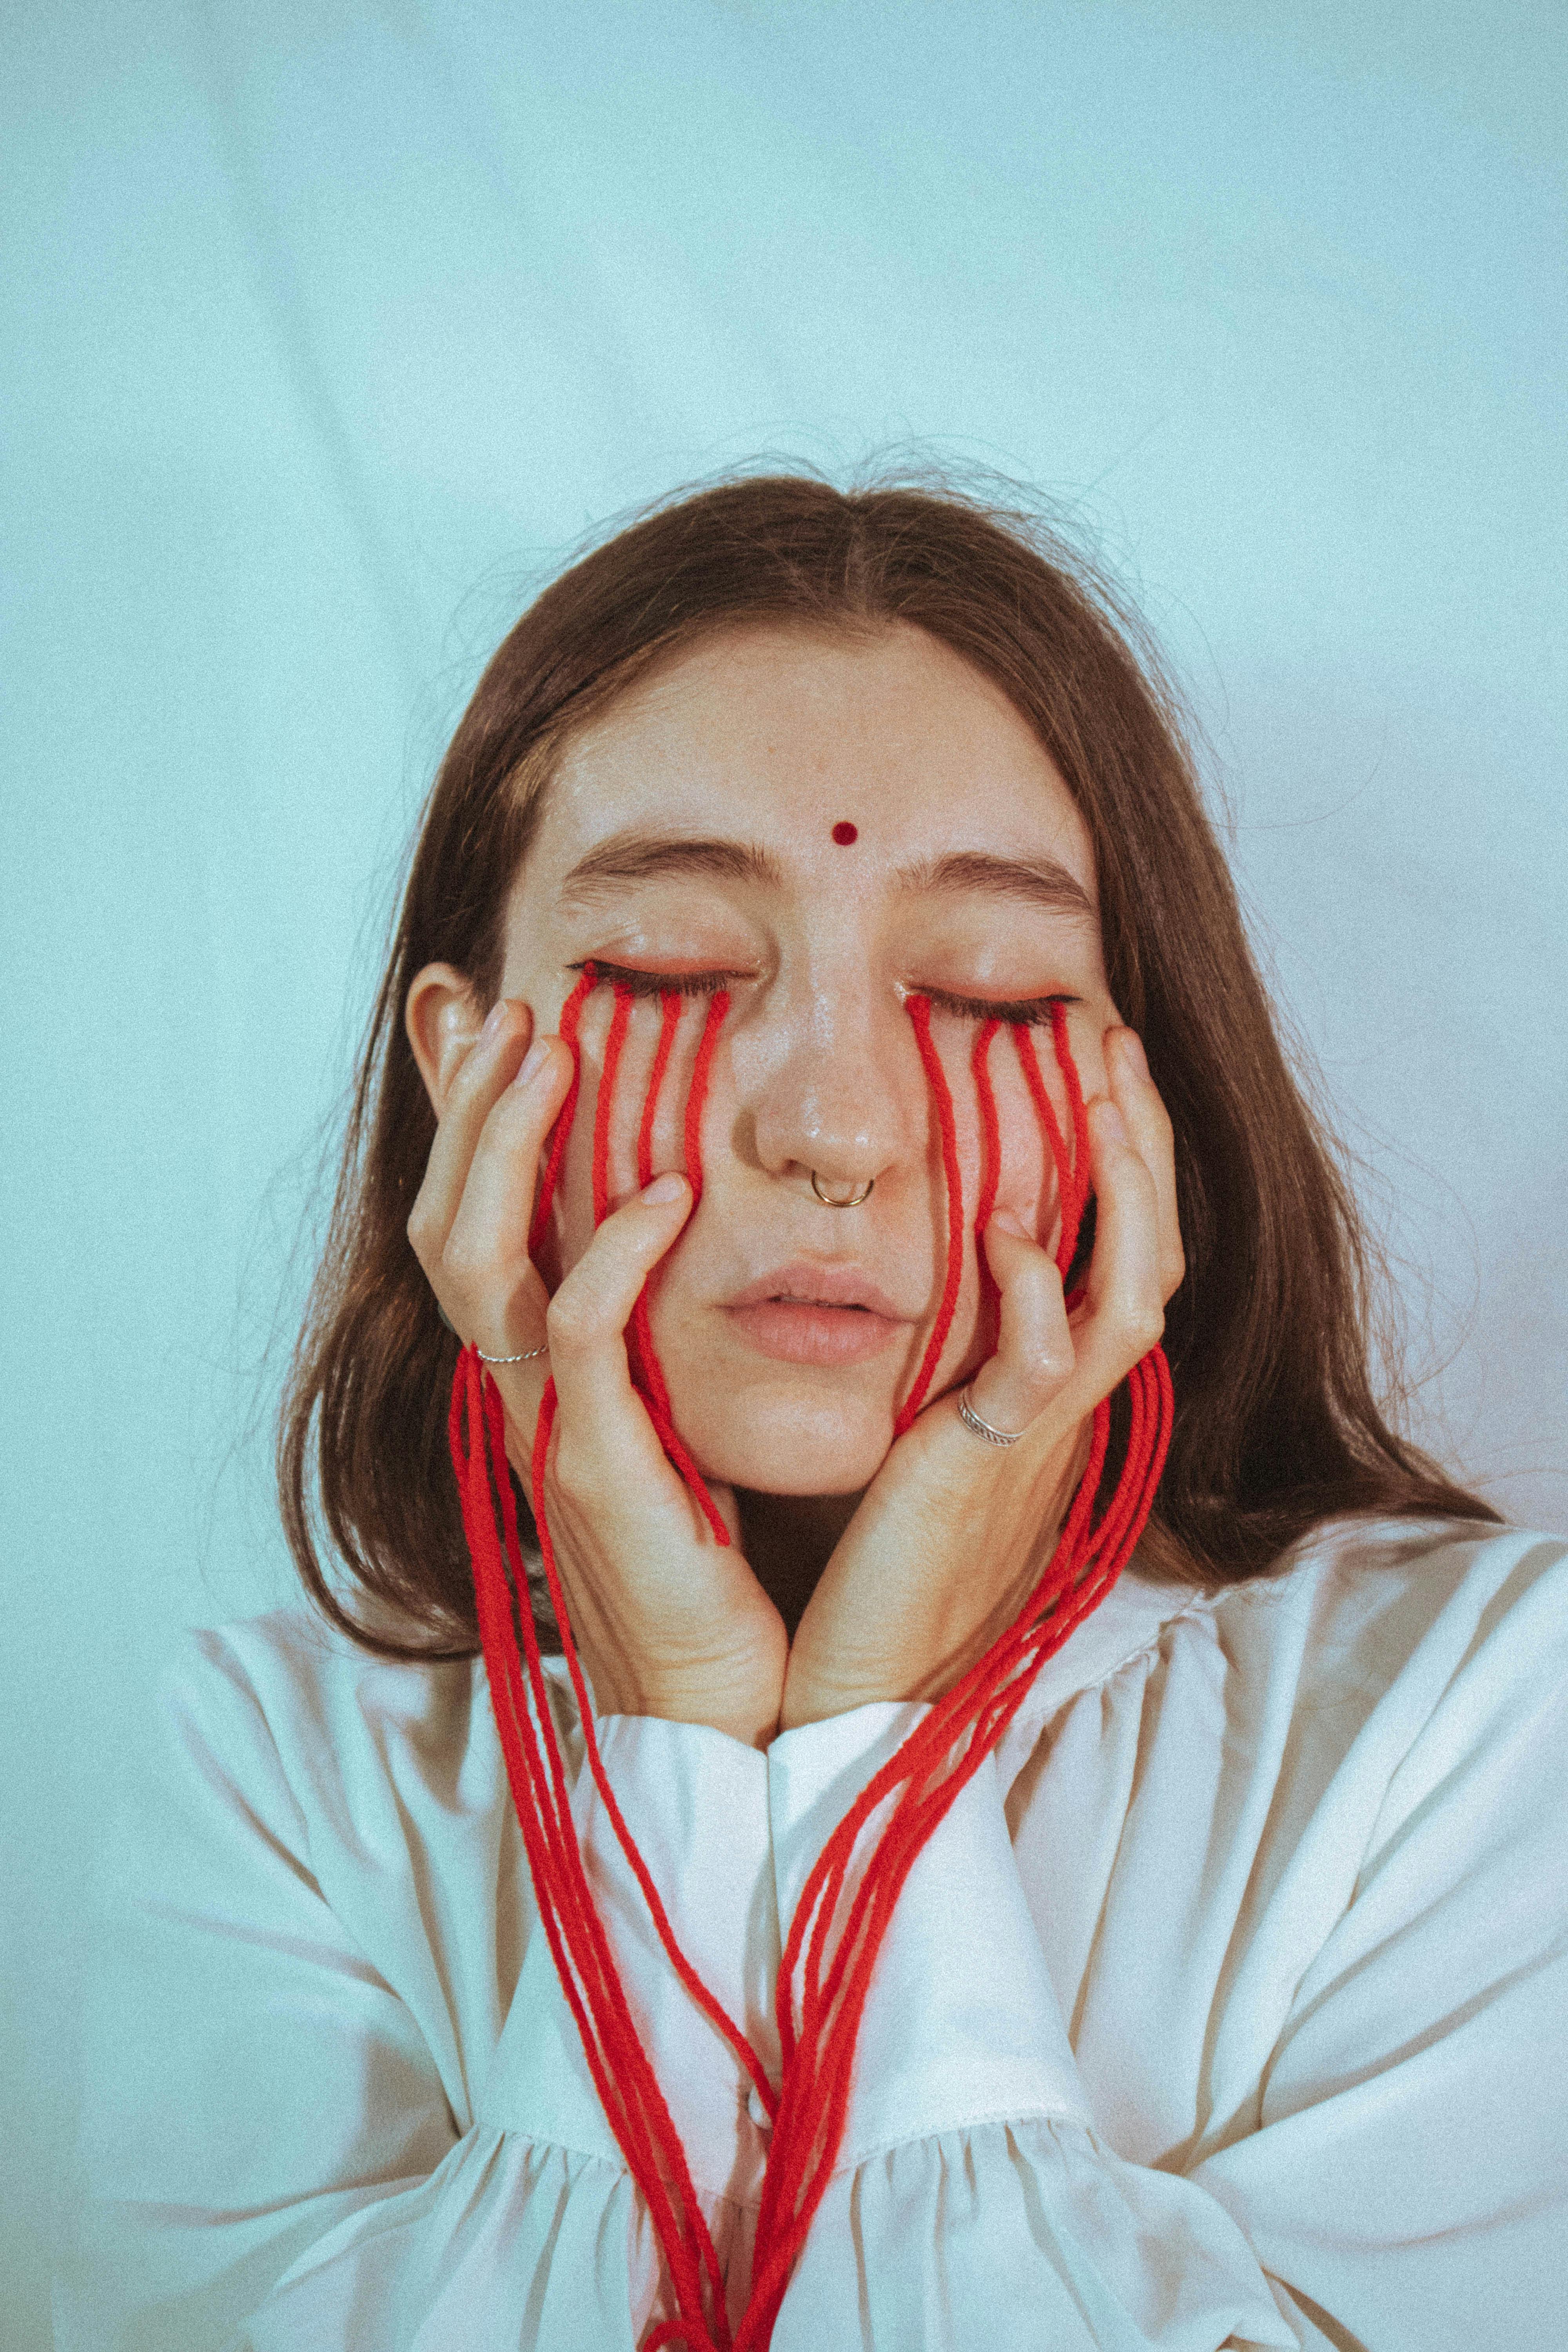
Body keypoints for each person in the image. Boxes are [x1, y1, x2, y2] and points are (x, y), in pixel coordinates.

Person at [58, 477, 1566, 2350]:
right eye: (671, 968)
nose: (835, 1129)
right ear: (463, 1075)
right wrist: (680, 1732)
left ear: (1146, 1100)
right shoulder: (282, 1776)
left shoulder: (1477, 1718)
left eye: (984, 985)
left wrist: (871, 1751)